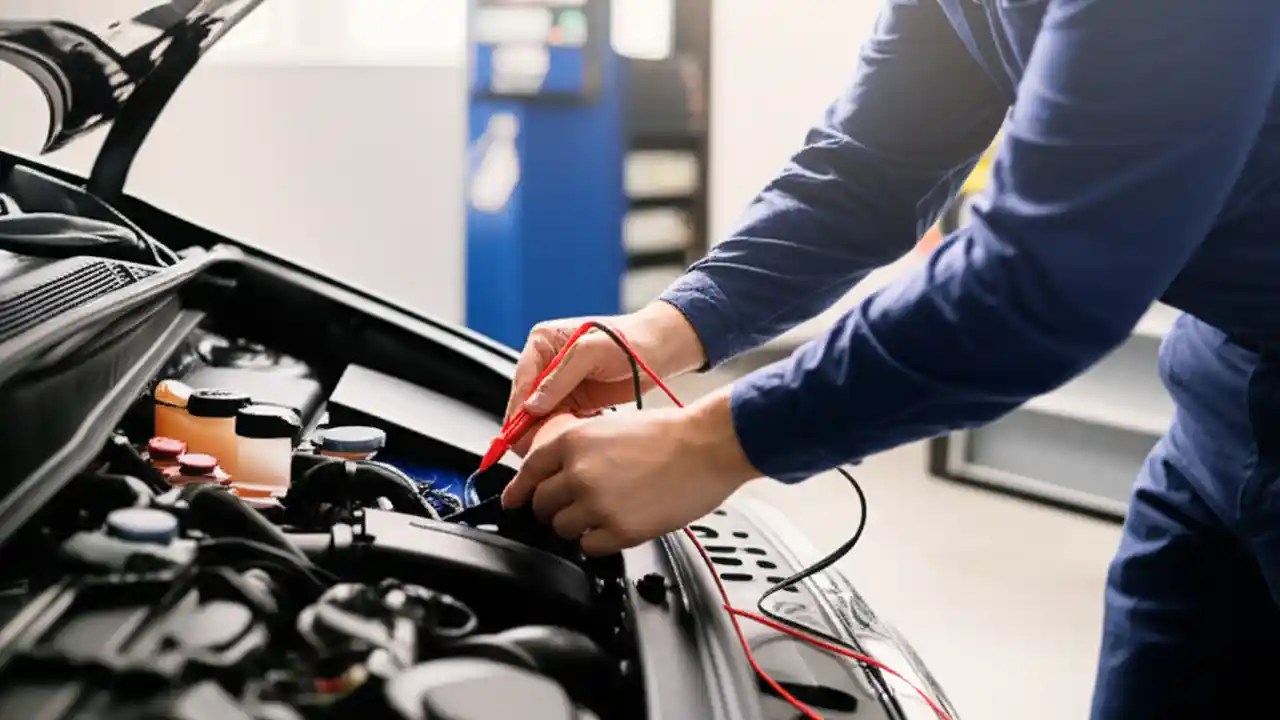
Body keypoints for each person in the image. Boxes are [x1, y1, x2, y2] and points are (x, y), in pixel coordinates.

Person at [498, 1, 1280, 717]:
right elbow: (866, 173)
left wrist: (710, 445)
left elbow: (1048, 275)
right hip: (1218, 399)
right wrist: (664, 328)